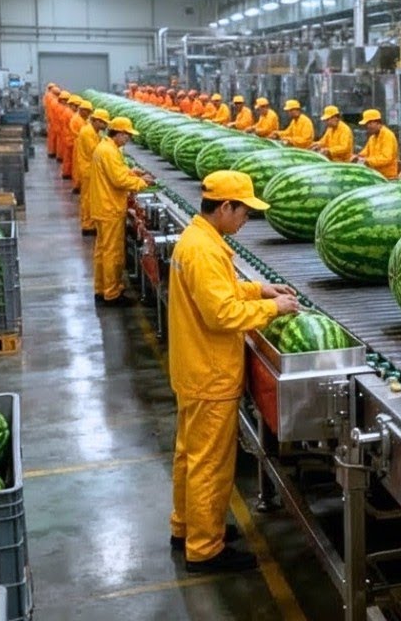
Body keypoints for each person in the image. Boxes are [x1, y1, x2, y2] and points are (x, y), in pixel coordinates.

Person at [167, 170, 299, 574]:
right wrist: (271, 310)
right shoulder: (205, 250)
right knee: (210, 462)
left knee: (190, 454)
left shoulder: (200, 239)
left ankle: (186, 526)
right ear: (225, 207)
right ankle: (205, 548)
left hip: (194, 367)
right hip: (210, 373)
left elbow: (218, 290)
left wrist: (258, 290)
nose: (246, 221)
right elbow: (221, 312)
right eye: (244, 212)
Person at [89, 117, 155, 306]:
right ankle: (112, 294)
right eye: (127, 135)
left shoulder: (107, 148)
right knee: (112, 253)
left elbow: (116, 172)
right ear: (118, 133)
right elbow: (118, 180)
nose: (128, 139)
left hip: (103, 206)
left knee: (102, 251)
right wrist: (142, 183)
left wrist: (132, 173)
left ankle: (101, 289)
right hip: (109, 208)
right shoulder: (109, 151)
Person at [74, 108, 110, 236]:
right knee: (88, 199)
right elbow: (95, 151)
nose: (105, 126)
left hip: (90, 169)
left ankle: (90, 222)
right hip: (88, 170)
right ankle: (87, 225)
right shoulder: (88, 132)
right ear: (96, 121)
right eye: (103, 123)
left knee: (90, 198)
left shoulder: (93, 131)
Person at [354, 109, 398, 179]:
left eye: (369, 124)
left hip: (387, 177)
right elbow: (365, 152)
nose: (367, 126)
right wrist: (357, 157)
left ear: (377, 122)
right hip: (376, 175)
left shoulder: (388, 136)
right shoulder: (372, 138)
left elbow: (386, 158)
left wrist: (368, 161)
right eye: (367, 124)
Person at [62, 96, 86, 180]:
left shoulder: (68, 112)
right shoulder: (71, 114)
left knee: (68, 158)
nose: (77, 108)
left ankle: (67, 173)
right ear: (71, 105)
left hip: (68, 138)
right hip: (70, 139)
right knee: (71, 159)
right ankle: (68, 174)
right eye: (76, 106)